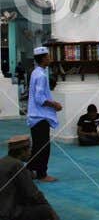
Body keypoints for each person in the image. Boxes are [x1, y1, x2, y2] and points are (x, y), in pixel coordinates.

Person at [0, 135, 58, 220]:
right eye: (29, 149)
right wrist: (49, 209)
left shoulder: (3, 160)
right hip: (5, 216)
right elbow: (32, 193)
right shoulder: (17, 165)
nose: (30, 152)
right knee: (45, 210)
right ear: (22, 151)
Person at [25, 46, 60, 183]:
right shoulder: (41, 76)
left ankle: (28, 171)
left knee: (37, 147)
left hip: (35, 116)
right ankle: (42, 174)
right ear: (44, 58)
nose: (49, 59)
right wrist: (54, 105)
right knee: (43, 148)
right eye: (48, 56)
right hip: (40, 116)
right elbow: (40, 98)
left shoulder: (35, 72)